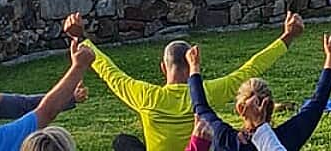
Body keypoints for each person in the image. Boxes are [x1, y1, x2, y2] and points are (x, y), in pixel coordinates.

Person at [63, 11, 304, 151]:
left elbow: (109, 71)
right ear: (193, 66)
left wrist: (81, 38)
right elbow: (250, 69)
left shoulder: (146, 96)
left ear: (162, 67)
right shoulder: (206, 92)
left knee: (123, 143)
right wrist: (287, 37)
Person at [186, 33, 331, 151]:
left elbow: (201, 107)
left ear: (240, 109)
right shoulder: (286, 138)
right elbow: (316, 104)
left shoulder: (225, 139)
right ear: (270, 106)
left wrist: (194, 67)